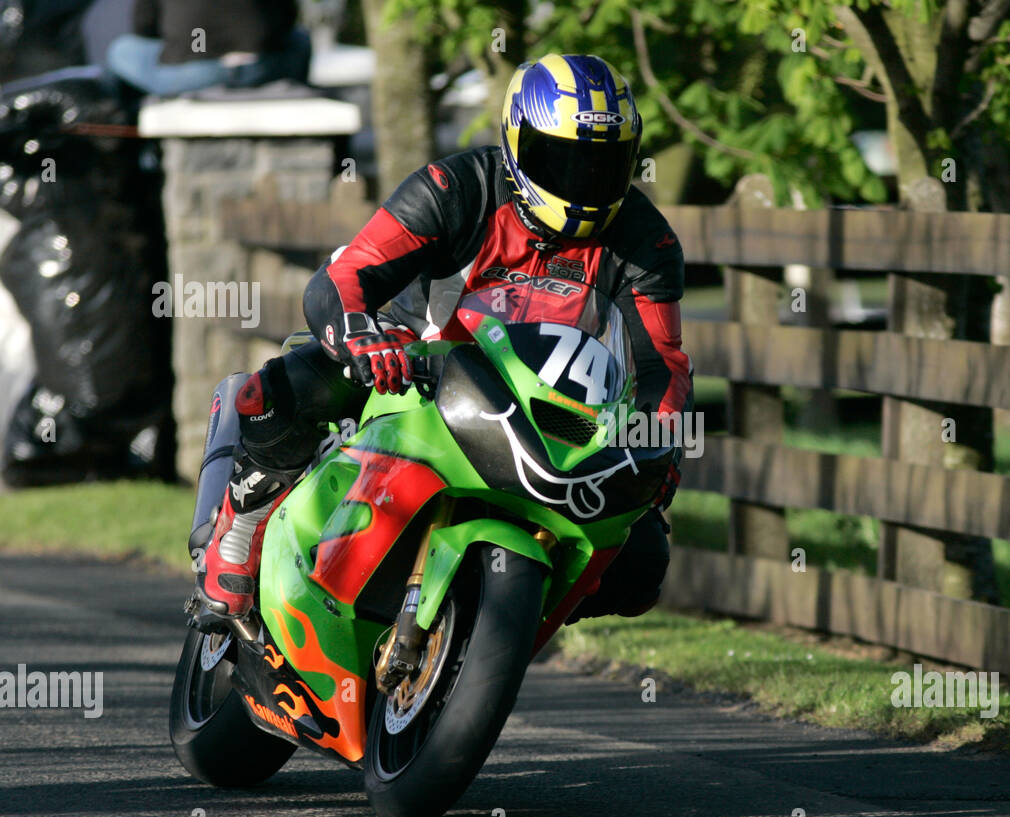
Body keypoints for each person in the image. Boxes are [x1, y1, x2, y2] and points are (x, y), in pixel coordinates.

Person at [195, 53, 692, 623]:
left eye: (601, 166)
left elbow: (662, 364)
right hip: (413, 364)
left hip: (544, 408)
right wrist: (361, 336)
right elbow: (347, 274)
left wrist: (660, 437)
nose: (582, 185)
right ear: (515, 142)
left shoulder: (644, 241)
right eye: (561, 161)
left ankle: (503, 616)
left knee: (642, 559)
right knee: (286, 388)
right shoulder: (456, 188)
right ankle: (243, 518)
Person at [105, 0, 309, 97]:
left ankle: (126, 150)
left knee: (121, 49)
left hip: (194, 72)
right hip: (260, 67)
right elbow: (287, 21)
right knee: (301, 39)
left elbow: (143, 26)